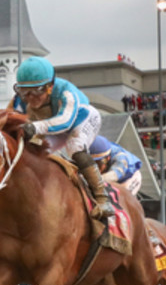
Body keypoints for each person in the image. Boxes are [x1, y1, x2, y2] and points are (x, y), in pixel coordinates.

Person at [12, 57, 114, 224]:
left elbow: (65, 121)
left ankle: (102, 199)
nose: (30, 97)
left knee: (75, 148)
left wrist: (34, 128)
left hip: (80, 120)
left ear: (50, 87)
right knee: (33, 150)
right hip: (52, 126)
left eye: (36, 91)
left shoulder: (67, 93)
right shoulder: (22, 100)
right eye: (24, 92)